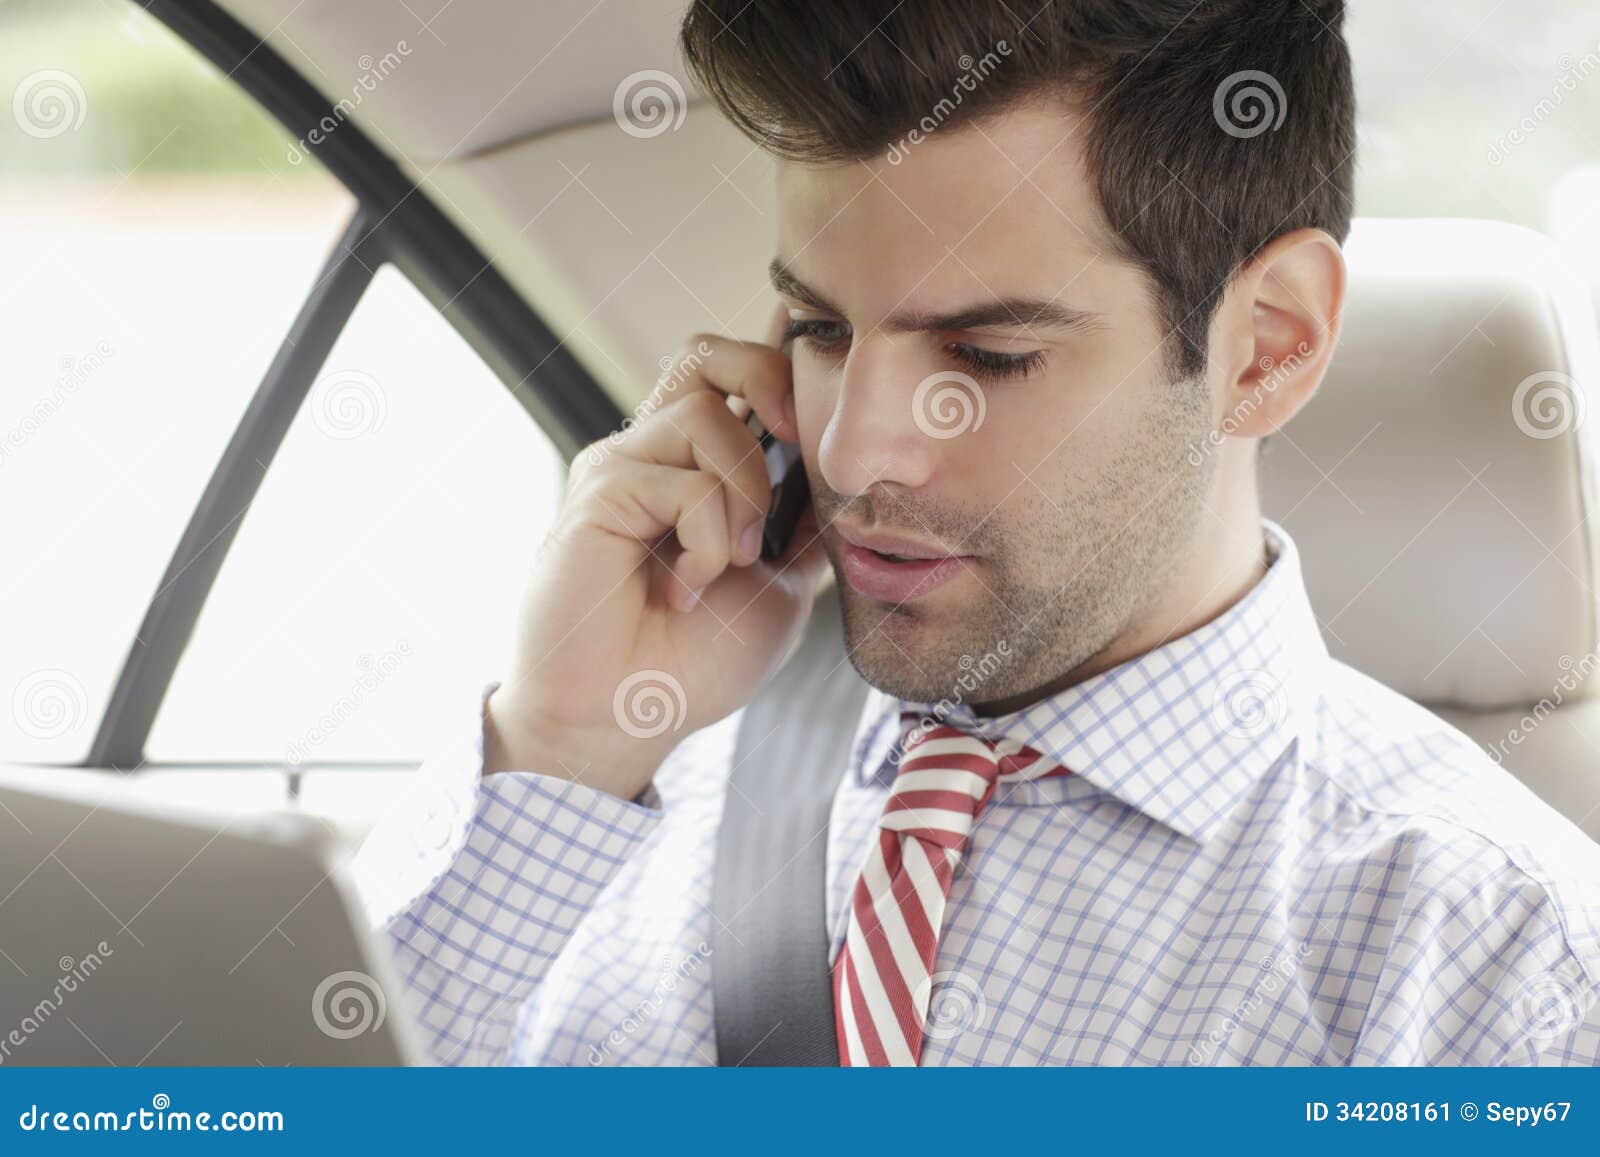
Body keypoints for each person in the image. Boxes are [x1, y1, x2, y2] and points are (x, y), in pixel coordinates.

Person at [353, 0, 1600, 1065]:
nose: (852, 449)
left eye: (987, 355)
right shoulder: (607, 804)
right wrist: (564, 743)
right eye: (823, 331)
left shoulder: (1485, 960)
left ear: (1267, 343)